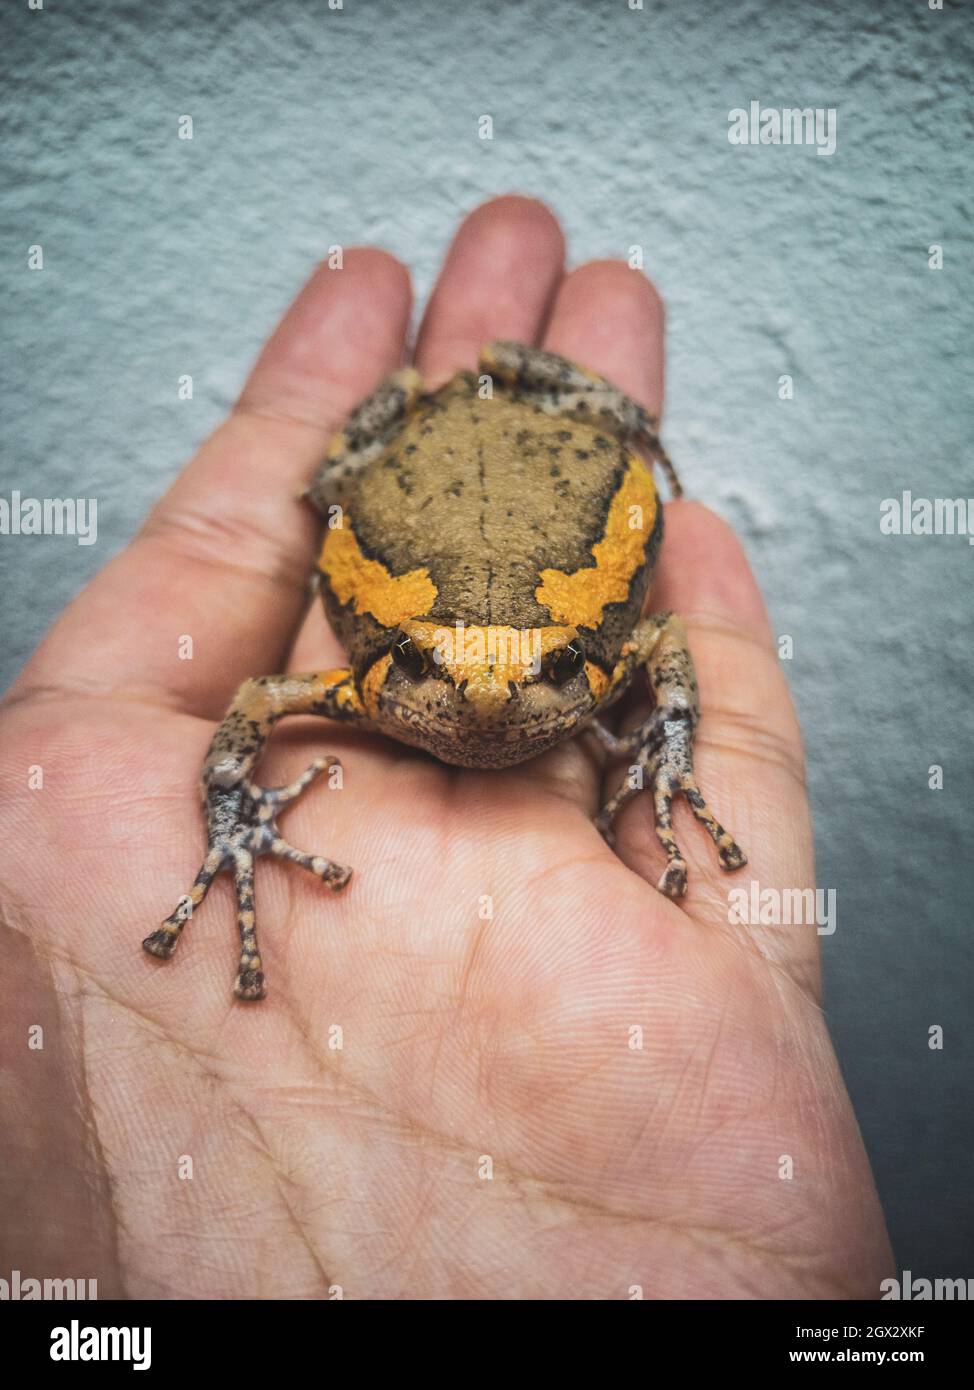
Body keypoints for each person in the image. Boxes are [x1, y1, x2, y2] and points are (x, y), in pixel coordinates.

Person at [0, 196, 892, 1299]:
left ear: (582, 662)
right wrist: (234, 814)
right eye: (433, 673)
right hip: (419, 465)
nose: (484, 704)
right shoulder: (367, 684)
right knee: (342, 469)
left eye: (546, 674)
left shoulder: (602, 658)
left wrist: (664, 749)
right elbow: (260, 696)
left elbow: (659, 635)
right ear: (392, 664)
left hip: (546, 474)